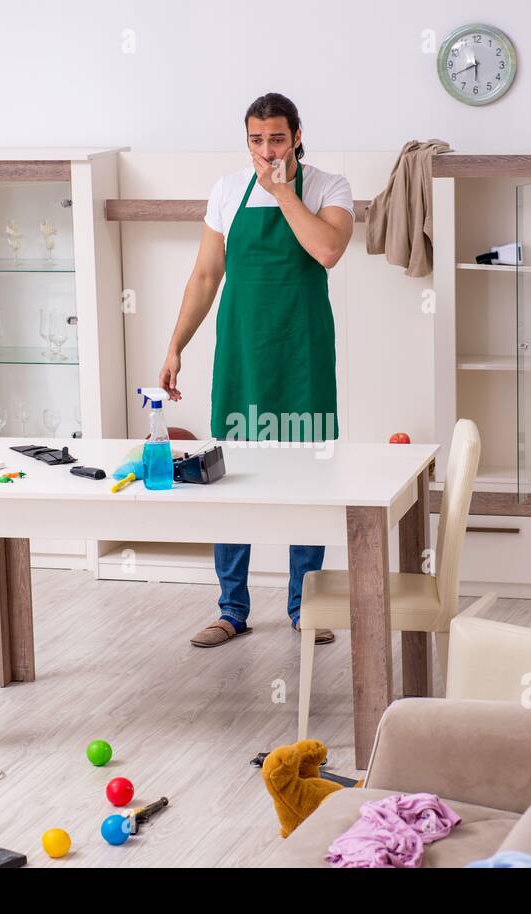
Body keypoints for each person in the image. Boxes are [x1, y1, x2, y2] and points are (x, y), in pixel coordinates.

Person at [158, 92, 354, 649]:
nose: (266, 149)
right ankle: (231, 608)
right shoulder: (225, 191)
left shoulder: (327, 188)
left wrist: (283, 192)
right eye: (256, 139)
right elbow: (204, 276)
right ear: (246, 140)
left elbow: (327, 251)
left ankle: (303, 607)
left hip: (302, 352)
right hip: (242, 350)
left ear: (296, 136)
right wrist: (176, 345)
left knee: (308, 477)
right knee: (231, 475)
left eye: (276, 138)